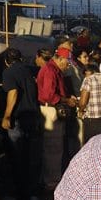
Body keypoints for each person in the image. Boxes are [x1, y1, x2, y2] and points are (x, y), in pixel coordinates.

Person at [0, 48, 42, 200]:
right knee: (30, 158)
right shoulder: (28, 70)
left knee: (17, 158)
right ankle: (31, 195)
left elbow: (13, 92)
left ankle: (20, 198)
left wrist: (7, 116)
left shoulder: (9, 72)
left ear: (6, 61)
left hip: (18, 119)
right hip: (33, 117)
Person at [36, 47, 78, 189]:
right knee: (53, 149)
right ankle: (52, 182)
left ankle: (51, 179)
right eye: (67, 62)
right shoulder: (50, 70)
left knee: (54, 148)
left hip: (52, 109)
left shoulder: (54, 69)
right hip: (50, 111)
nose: (68, 65)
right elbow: (49, 95)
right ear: (60, 59)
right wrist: (67, 101)